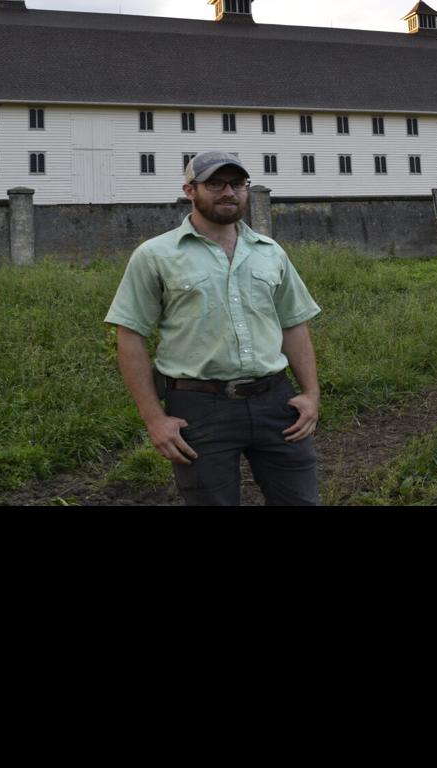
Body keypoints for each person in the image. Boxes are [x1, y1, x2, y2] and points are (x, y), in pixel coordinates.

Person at [105, 151, 322, 505]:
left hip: (276, 403)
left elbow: (294, 325)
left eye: (237, 184)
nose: (228, 192)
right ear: (190, 190)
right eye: (215, 184)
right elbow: (130, 336)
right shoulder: (155, 255)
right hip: (199, 408)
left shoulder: (271, 252)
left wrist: (311, 393)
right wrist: (154, 419)